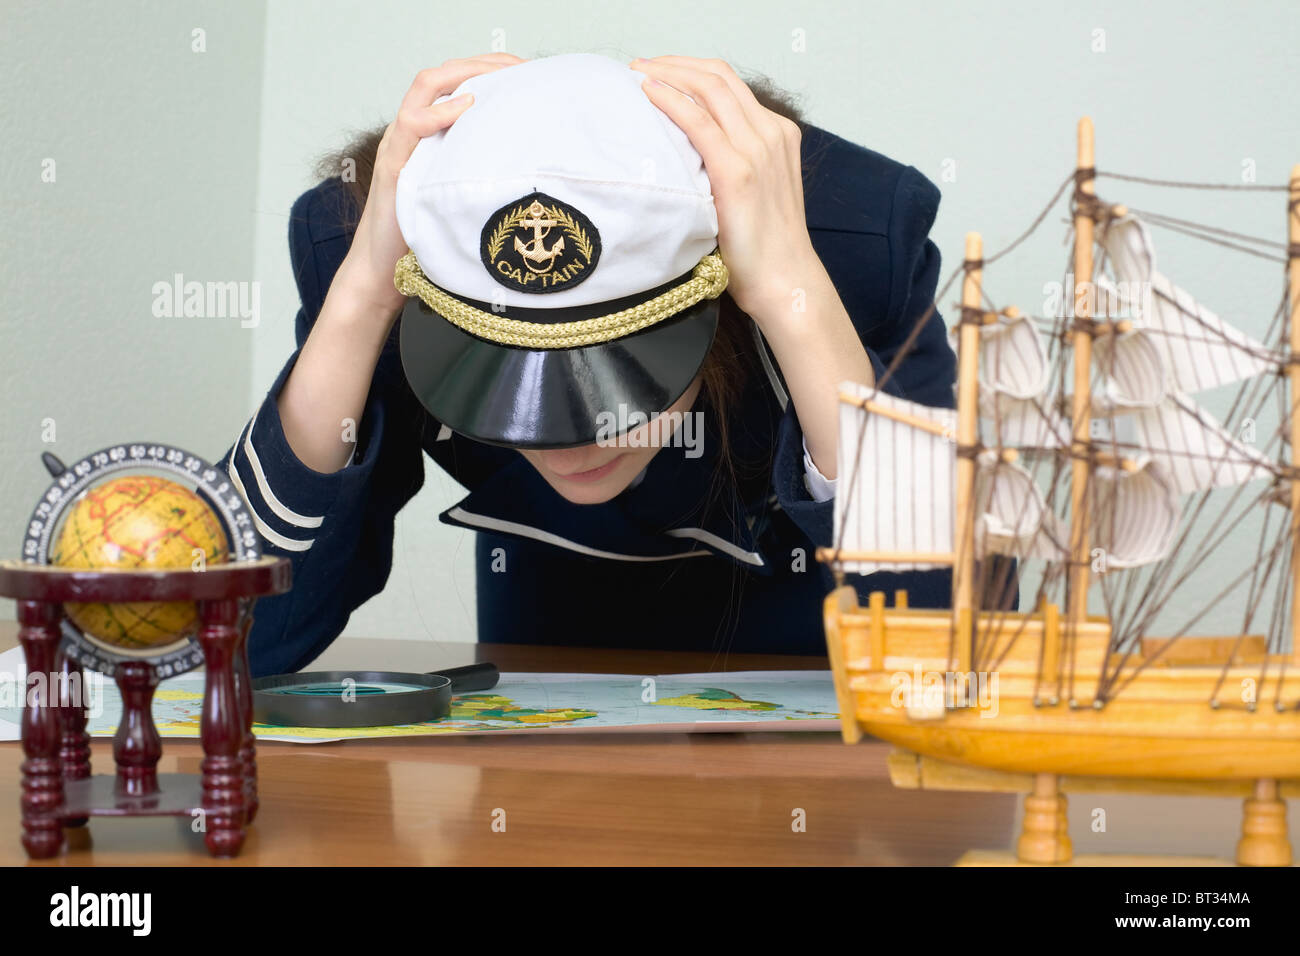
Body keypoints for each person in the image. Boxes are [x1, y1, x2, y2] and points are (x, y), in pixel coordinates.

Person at [223, 52, 958, 677]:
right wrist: (358, 300)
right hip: (541, 710)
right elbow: (241, 642)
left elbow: (946, 655)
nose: (572, 439)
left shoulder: (859, 248)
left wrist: (795, 296)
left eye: (616, 373)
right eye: (506, 379)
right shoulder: (385, 260)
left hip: (823, 716)